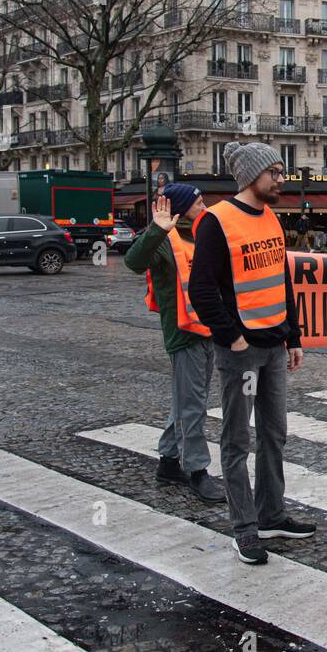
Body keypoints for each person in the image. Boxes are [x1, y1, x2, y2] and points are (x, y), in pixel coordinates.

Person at [189, 141, 312, 565]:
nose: (282, 178)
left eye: (282, 171)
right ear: (250, 175)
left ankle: (271, 514)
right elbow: (201, 288)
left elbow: (283, 282)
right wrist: (231, 336)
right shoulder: (216, 221)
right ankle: (244, 529)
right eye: (274, 172)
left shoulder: (273, 218)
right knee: (238, 440)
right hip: (241, 351)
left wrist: (293, 336)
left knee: (274, 434)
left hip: (274, 345)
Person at [123, 184, 226, 503]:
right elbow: (134, 261)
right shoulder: (166, 240)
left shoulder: (203, 235)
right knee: (193, 403)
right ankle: (197, 471)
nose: (204, 206)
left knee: (186, 399)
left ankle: (168, 462)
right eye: (198, 202)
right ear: (181, 208)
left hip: (209, 330)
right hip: (183, 333)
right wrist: (156, 228)